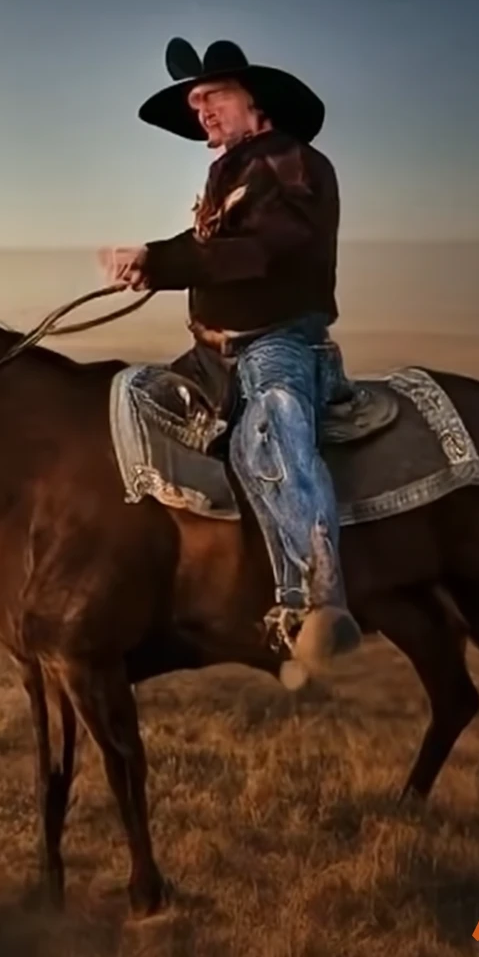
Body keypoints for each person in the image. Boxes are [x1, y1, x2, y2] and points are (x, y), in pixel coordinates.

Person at [101, 37, 361, 666]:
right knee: (131, 390)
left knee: (272, 428)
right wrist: (153, 257)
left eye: (213, 96)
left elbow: (262, 248)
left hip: (278, 342)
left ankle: (318, 600)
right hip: (209, 357)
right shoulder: (228, 171)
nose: (202, 112)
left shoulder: (292, 161)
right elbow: (209, 243)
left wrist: (159, 260)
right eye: (195, 105)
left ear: (257, 102)